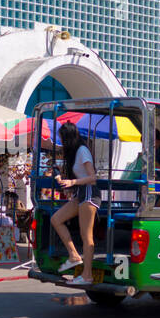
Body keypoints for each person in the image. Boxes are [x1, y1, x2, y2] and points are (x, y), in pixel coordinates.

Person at [50, 122, 99, 286]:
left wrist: (73, 181)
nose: (61, 142)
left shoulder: (82, 151)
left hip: (89, 194)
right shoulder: (75, 152)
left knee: (87, 237)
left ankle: (87, 275)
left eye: (63, 138)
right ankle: (74, 255)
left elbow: (93, 177)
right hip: (81, 194)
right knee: (56, 219)